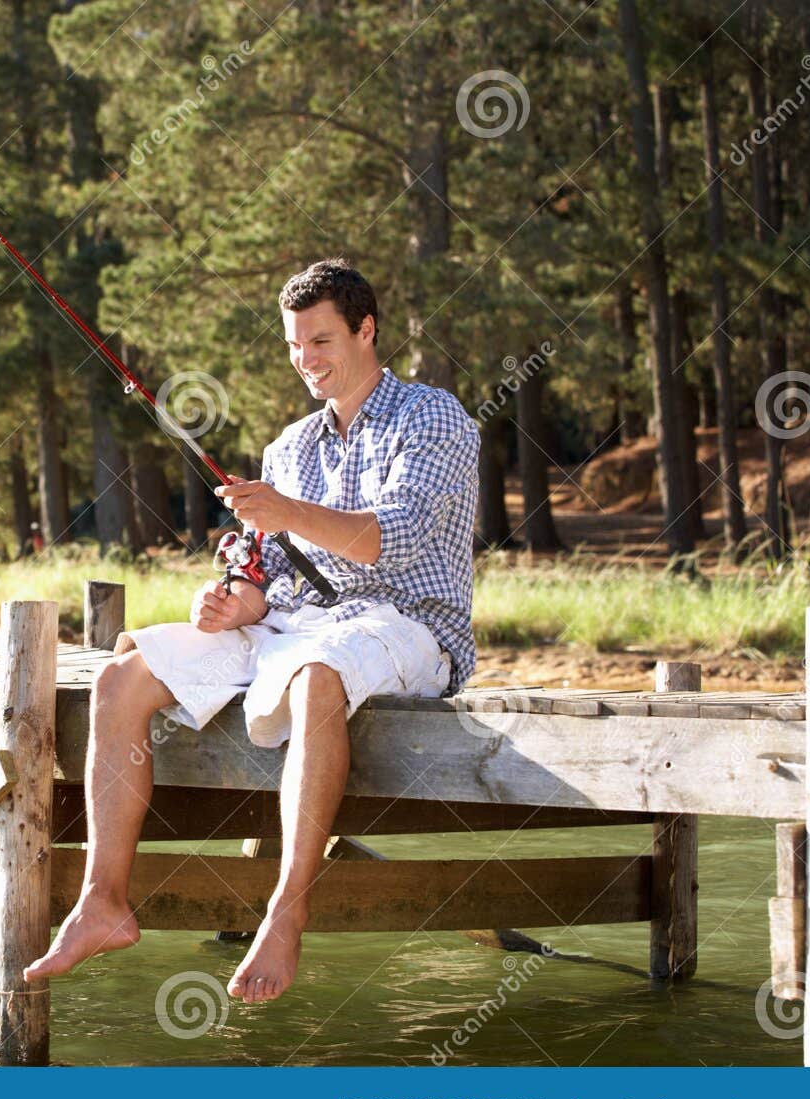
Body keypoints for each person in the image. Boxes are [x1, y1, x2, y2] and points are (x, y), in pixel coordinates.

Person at [23, 257, 480, 1003]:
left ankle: (286, 907)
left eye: (323, 341)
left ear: (368, 331)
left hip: (408, 627)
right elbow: (275, 572)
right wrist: (241, 599)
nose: (307, 361)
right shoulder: (290, 447)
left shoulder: (433, 417)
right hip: (299, 625)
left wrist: (286, 513)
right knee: (122, 674)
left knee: (317, 675)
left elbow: (388, 539)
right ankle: (103, 901)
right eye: (296, 346)